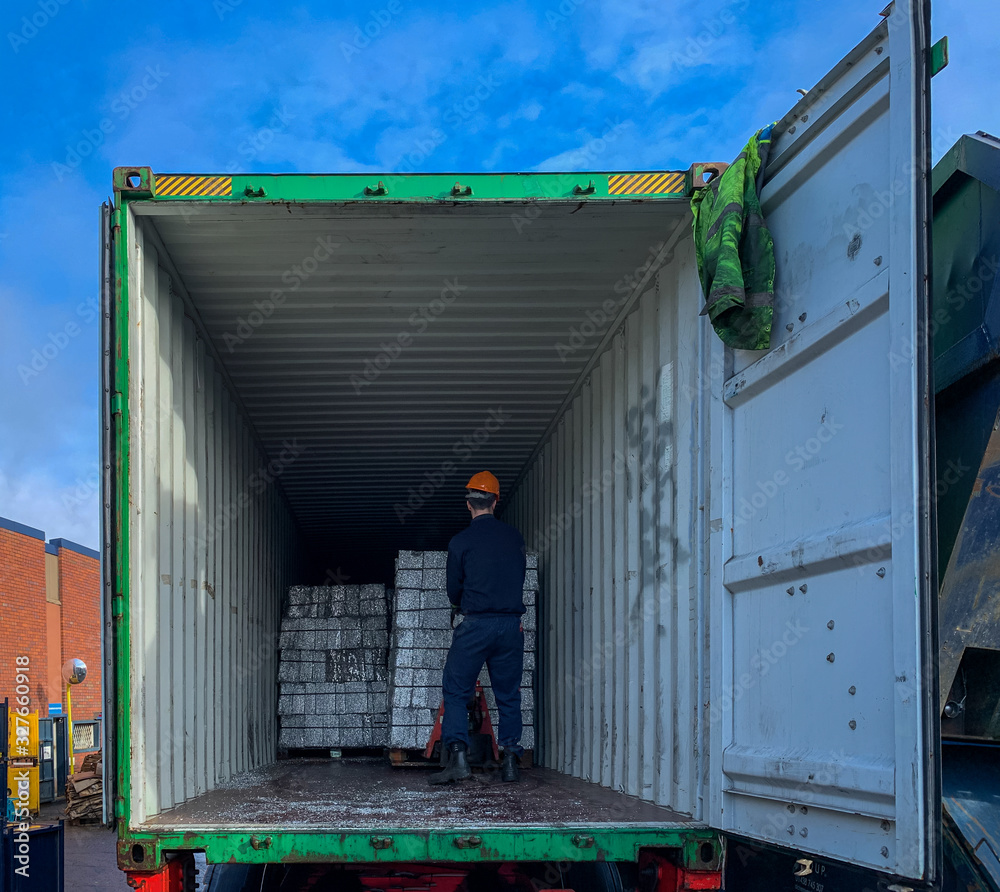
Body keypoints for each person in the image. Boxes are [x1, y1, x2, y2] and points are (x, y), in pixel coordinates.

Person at [429, 471, 527, 784]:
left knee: (457, 691)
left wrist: (463, 605)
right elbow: (519, 578)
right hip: (510, 625)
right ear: (496, 501)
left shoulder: (461, 542)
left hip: (475, 624)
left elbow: (453, 589)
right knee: (509, 694)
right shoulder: (514, 538)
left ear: (468, 504)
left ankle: (458, 758)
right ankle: (510, 760)